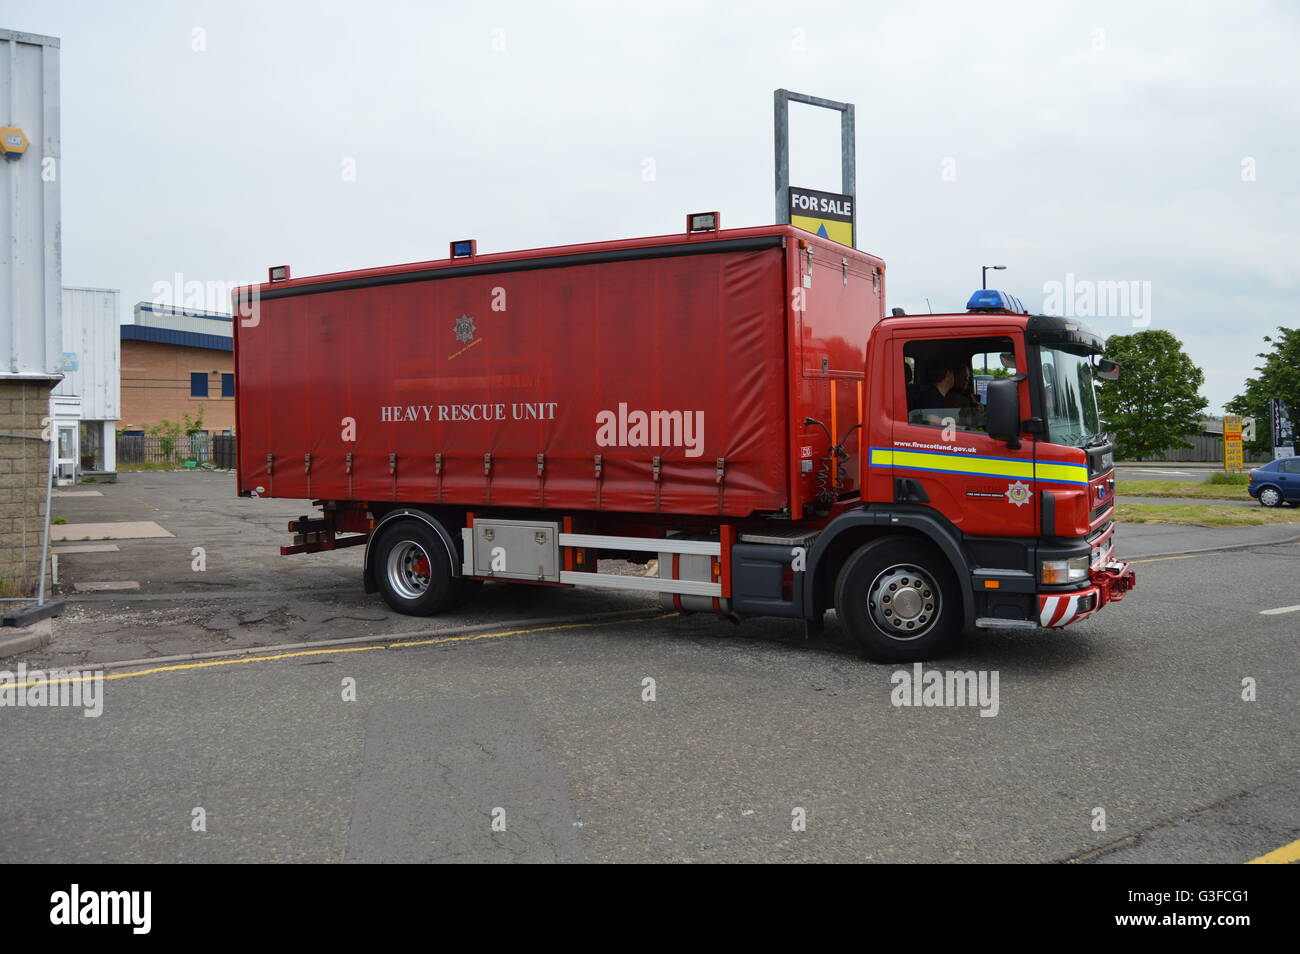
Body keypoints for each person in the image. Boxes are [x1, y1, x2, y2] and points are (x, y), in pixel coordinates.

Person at [912, 361, 955, 425]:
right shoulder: (930, 396)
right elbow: (931, 419)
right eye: (953, 374)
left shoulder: (943, 396)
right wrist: (958, 426)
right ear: (948, 374)